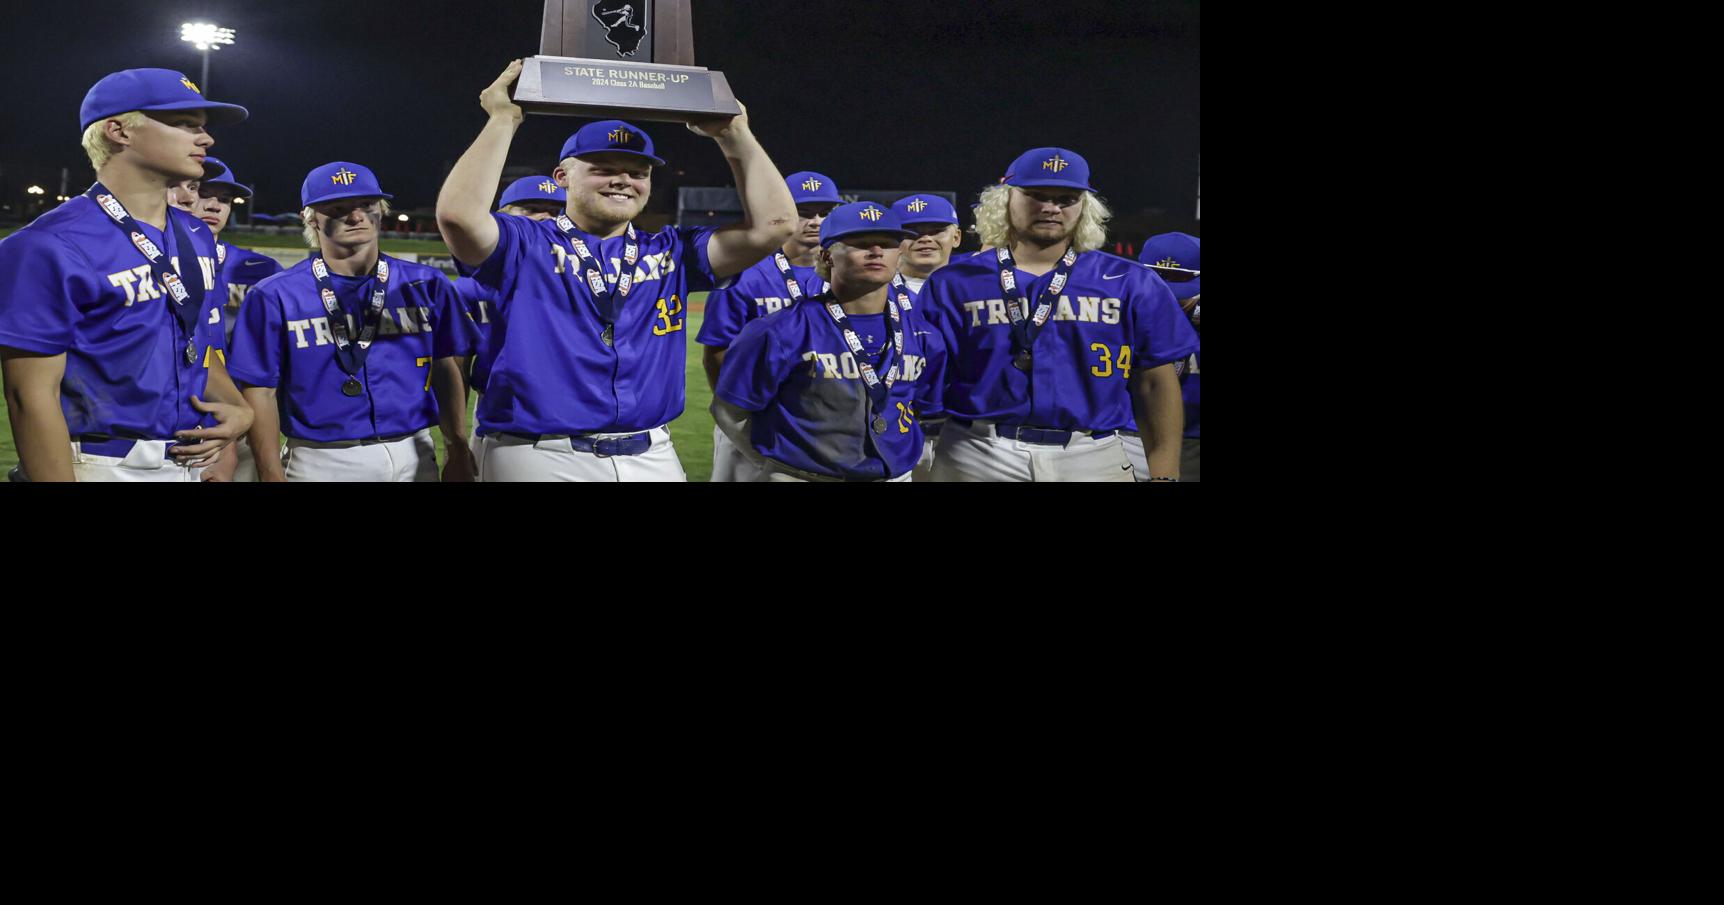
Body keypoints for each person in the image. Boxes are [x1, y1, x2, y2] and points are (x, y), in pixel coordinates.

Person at [435, 60, 796, 482]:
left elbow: (777, 226)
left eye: (638, 172)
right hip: (540, 453)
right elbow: (459, 216)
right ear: (562, 177)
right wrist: (503, 119)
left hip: (651, 452)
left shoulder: (672, 250)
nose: (623, 180)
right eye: (603, 168)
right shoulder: (525, 243)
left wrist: (735, 135)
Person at [0, 67, 253, 482]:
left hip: (188, 458)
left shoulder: (195, 234)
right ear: (119, 131)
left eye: (203, 128)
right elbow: (29, 396)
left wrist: (235, 405)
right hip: (100, 462)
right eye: (184, 124)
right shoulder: (44, 245)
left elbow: (198, 340)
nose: (206, 139)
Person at [918, 147, 1198, 482]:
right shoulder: (952, 282)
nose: (1051, 207)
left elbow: (1155, 383)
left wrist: (1165, 474)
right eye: (1036, 195)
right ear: (1005, 199)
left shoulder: (1131, 281)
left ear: (1084, 206)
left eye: (1067, 198)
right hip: (978, 450)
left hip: (1092, 453)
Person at [227, 162, 476, 482]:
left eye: (366, 205)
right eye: (337, 208)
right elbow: (260, 391)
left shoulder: (426, 283)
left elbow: (446, 366)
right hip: (323, 459)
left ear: (381, 210)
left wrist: (456, 447)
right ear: (310, 217)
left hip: (415, 450)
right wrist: (271, 474)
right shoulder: (274, 295)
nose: (355, 215)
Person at [712, 202, 937, 482]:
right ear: (827, 256)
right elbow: (730, 409)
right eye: (860, 243)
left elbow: (924, 406)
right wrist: (776, 463)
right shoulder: (779, 330)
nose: (877, 251)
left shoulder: (921, 331)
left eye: (887, 243)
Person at [696, 170, 842, 481]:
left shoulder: (847, 275)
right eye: (804, 213)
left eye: (825, 213)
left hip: (824, 422)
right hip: (753, 417)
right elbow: (717, 352)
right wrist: (738, 418)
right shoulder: (743, 273)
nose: (816, 221)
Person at [451, 175, 570, 473]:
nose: (545, 217)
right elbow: (457, 366)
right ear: (501, 217)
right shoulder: (469, 287)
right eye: (530, 209)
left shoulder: (586, 281)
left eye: (556, 212)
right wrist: (455, 440)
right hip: (503, 417)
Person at [184, 156, 287, 481]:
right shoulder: (150, 264)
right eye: (204, 193)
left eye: (225, 199)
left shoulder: (261, 270)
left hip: (244, 422)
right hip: (174, 420)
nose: (214, 205)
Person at [891, 193, 963, 480]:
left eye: (936, 231)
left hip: (964, 433)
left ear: (956, 237)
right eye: (912, 232)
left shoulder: (980, 288)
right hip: (897, 429)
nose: (925, 239)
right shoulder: (871, 290)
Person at [1131, 231, 1200, 481]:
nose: (1168, 293)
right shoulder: (1123, 311)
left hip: (1194, 439)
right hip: (1130, 434)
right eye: (1159, 277)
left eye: (1179, 280)